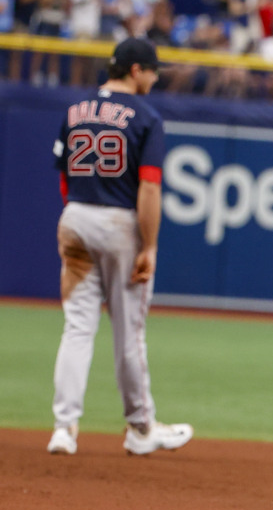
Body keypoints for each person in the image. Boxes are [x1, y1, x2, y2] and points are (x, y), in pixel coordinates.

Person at [47, 38, 195, 457]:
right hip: (119, 223)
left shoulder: (75, 110)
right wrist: (148, 246)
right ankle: (140, 428)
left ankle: (64, 428)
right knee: (128, 334)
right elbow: (149, 186)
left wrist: (80, 213)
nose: (154, 77)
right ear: (135, 70)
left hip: (75, 215)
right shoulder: (145, 115)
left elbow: (63, 177)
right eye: (152, 70)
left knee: (77, 328)